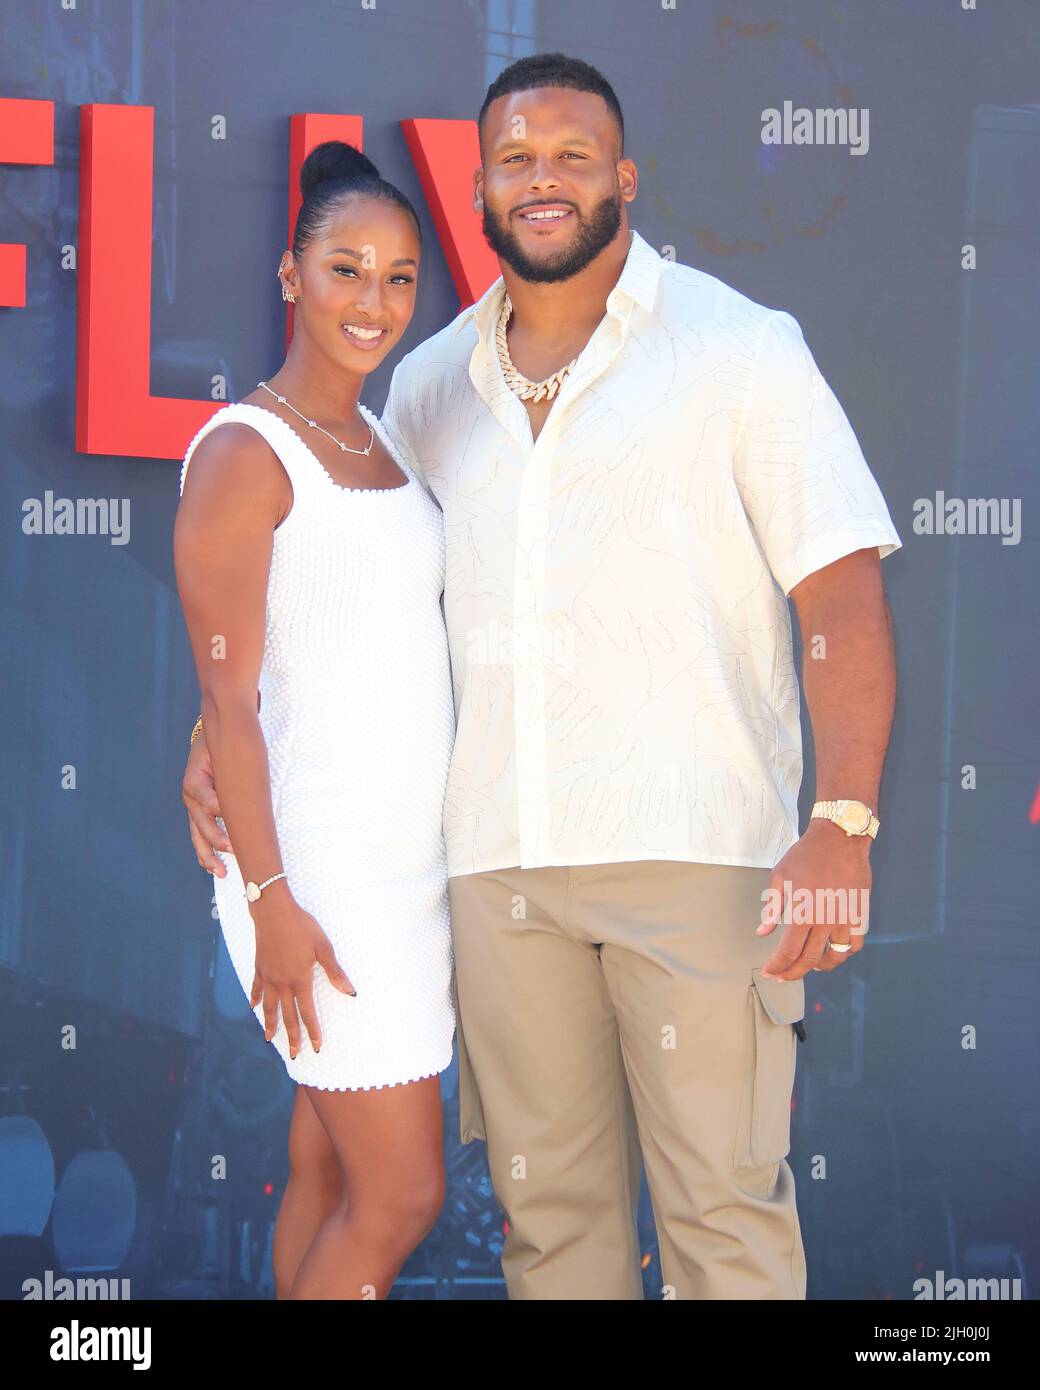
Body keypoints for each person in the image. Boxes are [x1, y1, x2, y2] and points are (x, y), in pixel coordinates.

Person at [184, 53, 902, 1300]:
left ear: (623, 178)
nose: (544, 180)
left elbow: (838, 597)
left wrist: (840, 821)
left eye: (572, 156)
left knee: (720, 1219)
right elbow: (316, 567)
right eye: (515, 159)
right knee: (551, 1234)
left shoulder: (740, 352)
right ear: (478, 192)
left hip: (694, 856)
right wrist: (212, 736)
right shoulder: (422, 387)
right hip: (494, 873)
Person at [173, 140, 456, 1301]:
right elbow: (228, 706)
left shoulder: (385, 437)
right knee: (401, 1196)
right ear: (292, 276)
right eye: (345, 270)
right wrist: (272, 904)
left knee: (324, 1169)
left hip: (407, 867)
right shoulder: (247, 453)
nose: (374, 302)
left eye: (397, 277)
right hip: (316, 879)